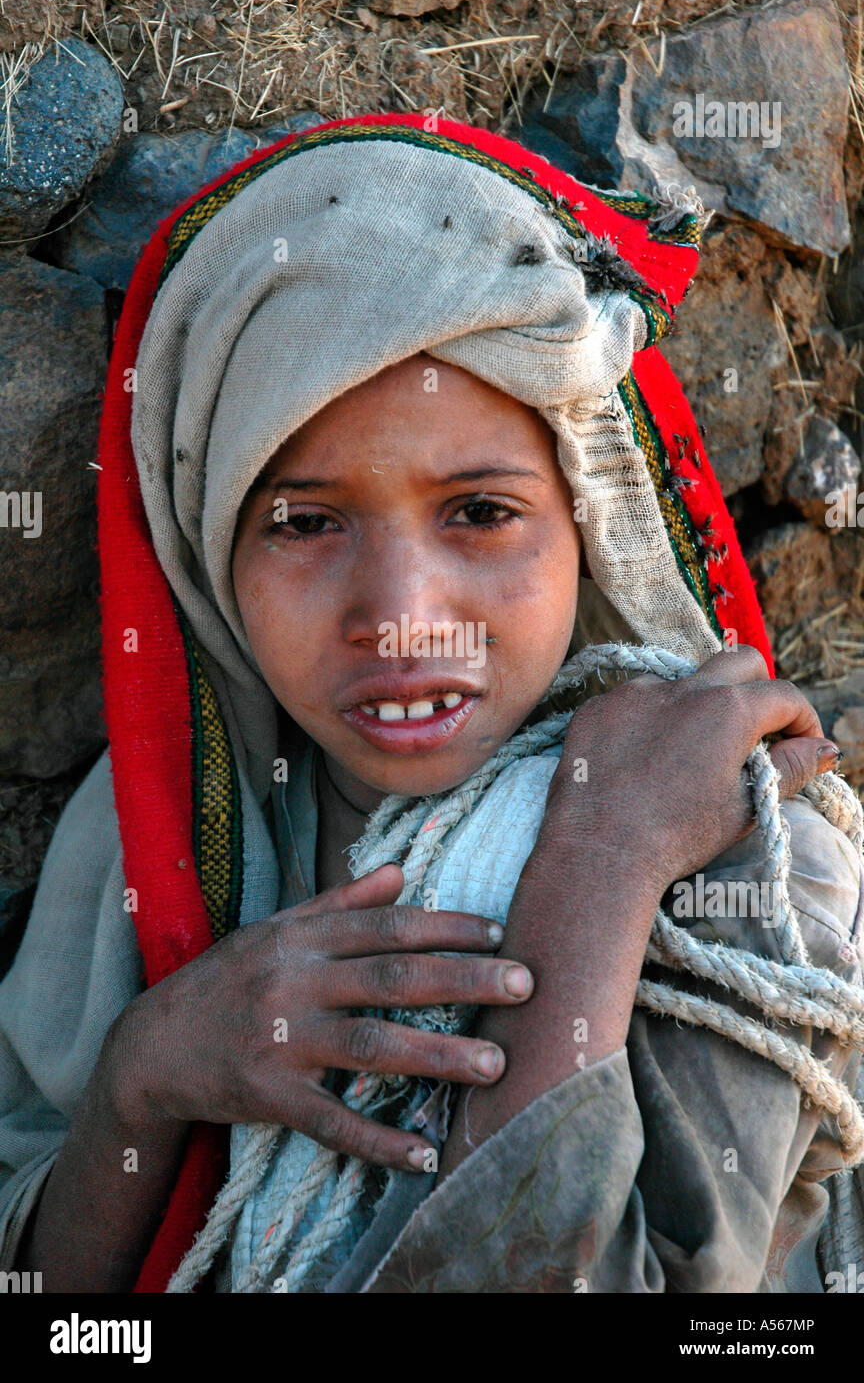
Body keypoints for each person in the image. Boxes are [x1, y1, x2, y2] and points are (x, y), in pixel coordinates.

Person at [1, 112, 862, 1294]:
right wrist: (149, 1072)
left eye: (481, 512)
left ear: (590, 526)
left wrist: (600, 867)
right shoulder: (147, 845)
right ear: (209, 556)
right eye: (304, 524)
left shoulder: (735, 847)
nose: (400, 616)